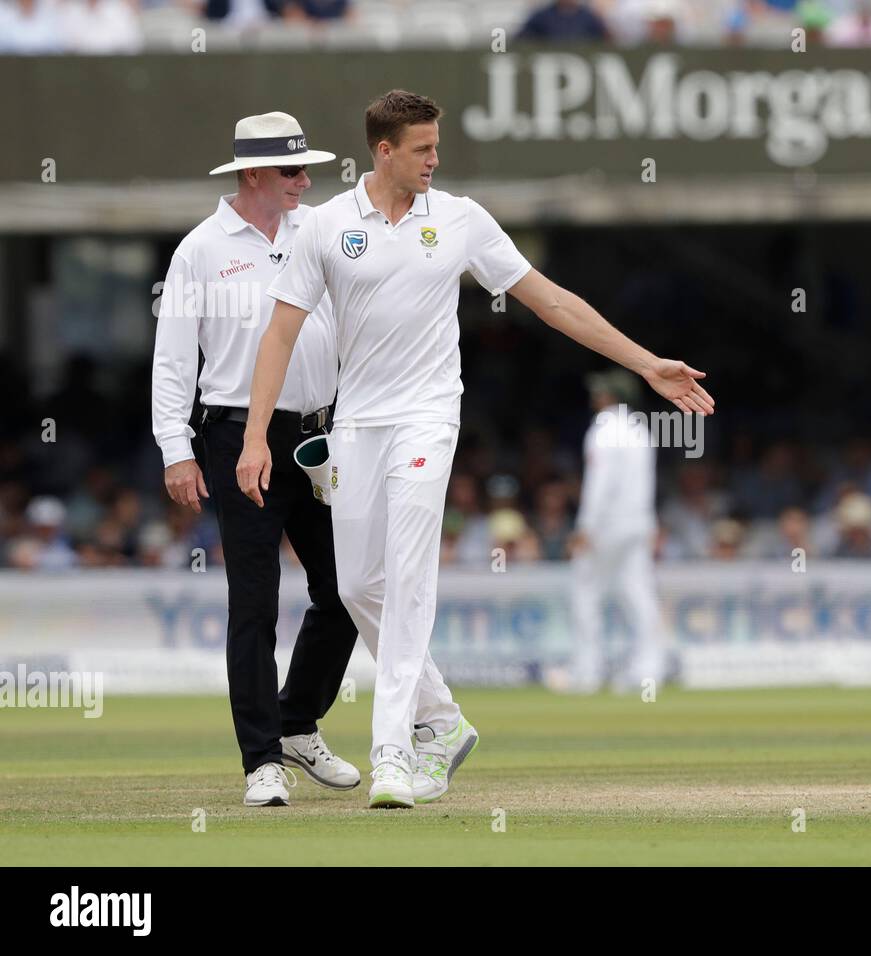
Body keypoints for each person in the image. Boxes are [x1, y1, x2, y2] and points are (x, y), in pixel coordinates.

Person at [237, 90, 713, 809]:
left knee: (405, 575)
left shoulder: (461, 219)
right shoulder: (328, 227)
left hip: (429, 417)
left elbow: (551, 300)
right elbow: (279, 333)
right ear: (384, 151)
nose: (436, 159)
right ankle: (446, 720)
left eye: (438, 146)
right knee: (357, 587)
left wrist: (646, 363)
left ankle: (393, 750)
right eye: (423, 149)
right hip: (357, 424)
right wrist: (253, 436)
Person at [151, 112, 361, 807]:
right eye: (292, 171)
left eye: (307, 169)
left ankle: (297, 721)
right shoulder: (202, 250)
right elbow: (175, 360)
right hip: (237, 433)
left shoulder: (322, 233)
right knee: (255, 600)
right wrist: (176, 450)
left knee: (347, 589)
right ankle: (261, 760)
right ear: (252, 176)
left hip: (322, 435)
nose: (306, 182)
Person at [567, 370, 665, 692]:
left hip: (607, 526)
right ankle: (648, 669)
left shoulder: (604, 430)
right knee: (638, 595)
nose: (595, 398)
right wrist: (649, 524)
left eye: (600, 393)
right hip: (637, 522)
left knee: (586, 593)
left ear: (610, 397)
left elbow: (600, 484)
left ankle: (587, 672)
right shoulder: (639, 430)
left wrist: (585, 526)